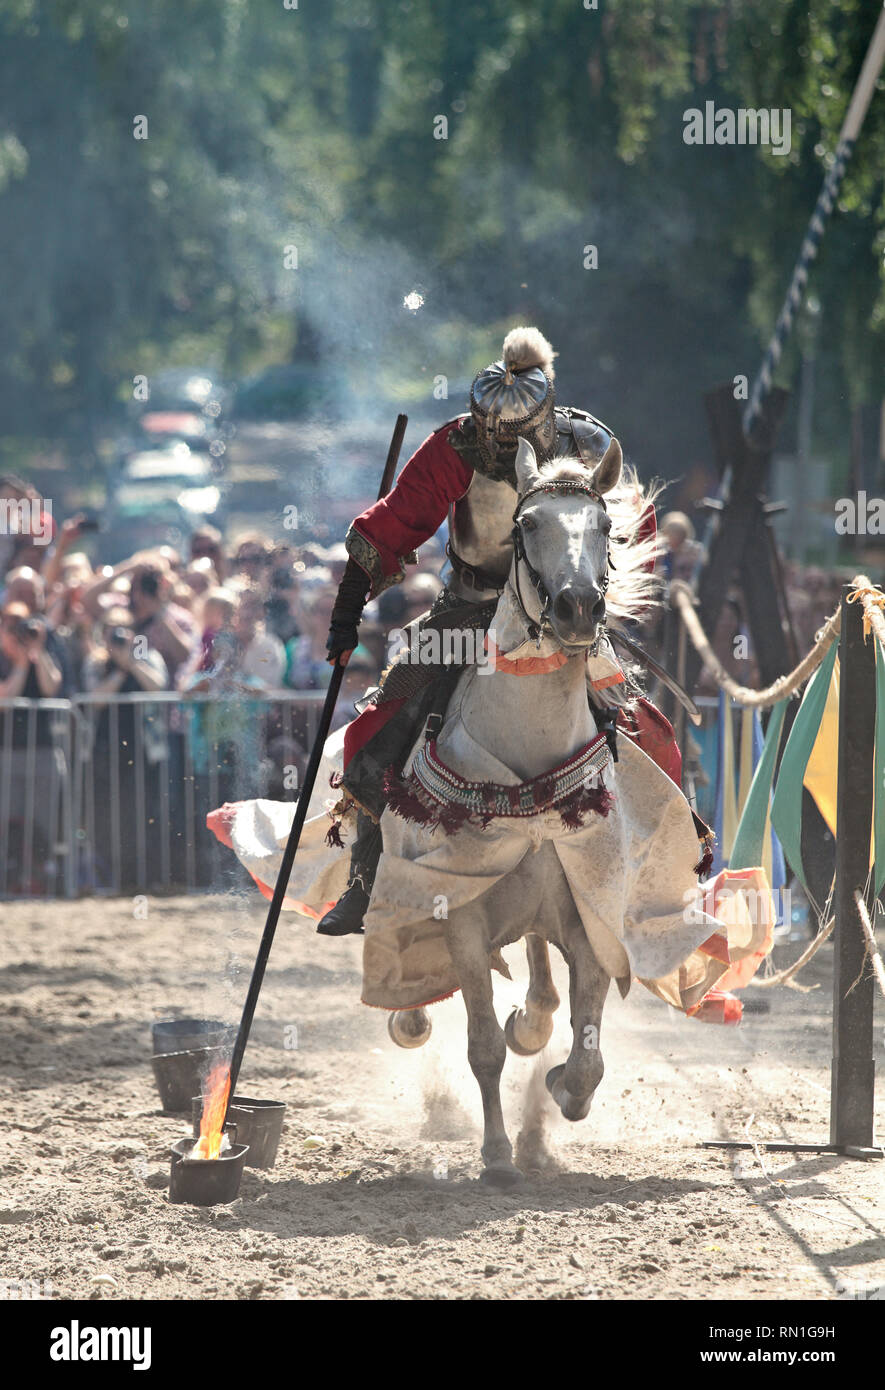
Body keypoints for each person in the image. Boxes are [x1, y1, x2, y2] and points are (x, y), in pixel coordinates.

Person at [317, 325, 647, 936]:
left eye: (512, 435)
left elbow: (628, 527)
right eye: (490, 433)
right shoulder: (457, 448)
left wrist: (609, 602)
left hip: (564, 618)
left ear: (544, 417)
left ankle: (654, 876)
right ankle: (367, 880)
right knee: (379, 727)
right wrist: (346, 615)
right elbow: (391, 524)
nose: (499, 446)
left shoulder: (588, 442)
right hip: (469, 617)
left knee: (644, 728)